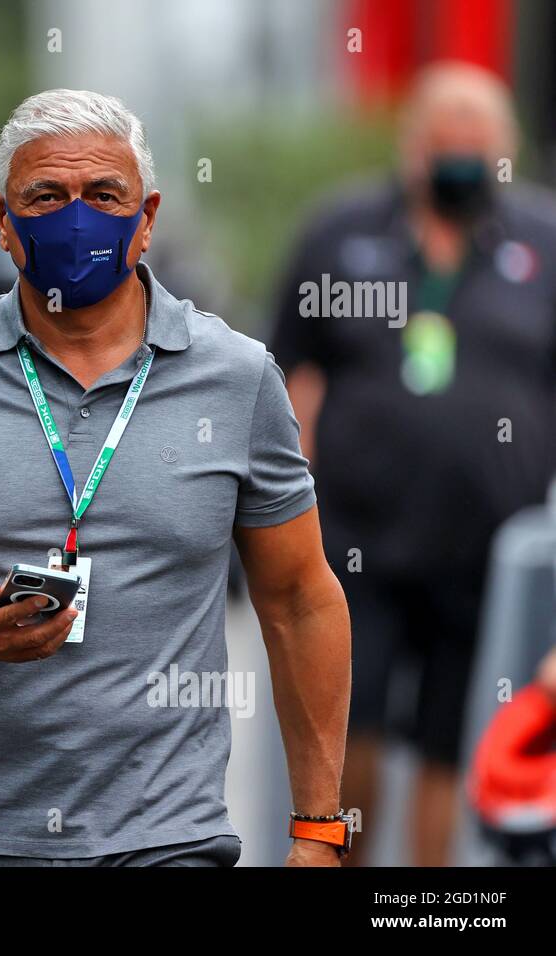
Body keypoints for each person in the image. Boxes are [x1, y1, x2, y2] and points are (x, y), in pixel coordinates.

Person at [0, 89, 353, 867]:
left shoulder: (236, 380)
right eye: (45, 197)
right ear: (2, 220)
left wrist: (319, 830)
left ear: (147, 217)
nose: (75, 219)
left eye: (104, 195)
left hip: (169, 836)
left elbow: (300, 600)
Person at [268, 61, 556, 866]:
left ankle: (429, 902)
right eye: (444, 141)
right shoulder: (341, 232)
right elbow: (284, 369)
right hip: (357, 537)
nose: (460, 158)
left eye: (477, 143)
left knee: (449, 741)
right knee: (348, 727)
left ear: (505, 149)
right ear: (411, 144)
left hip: (489, 545)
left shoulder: (542, 241)